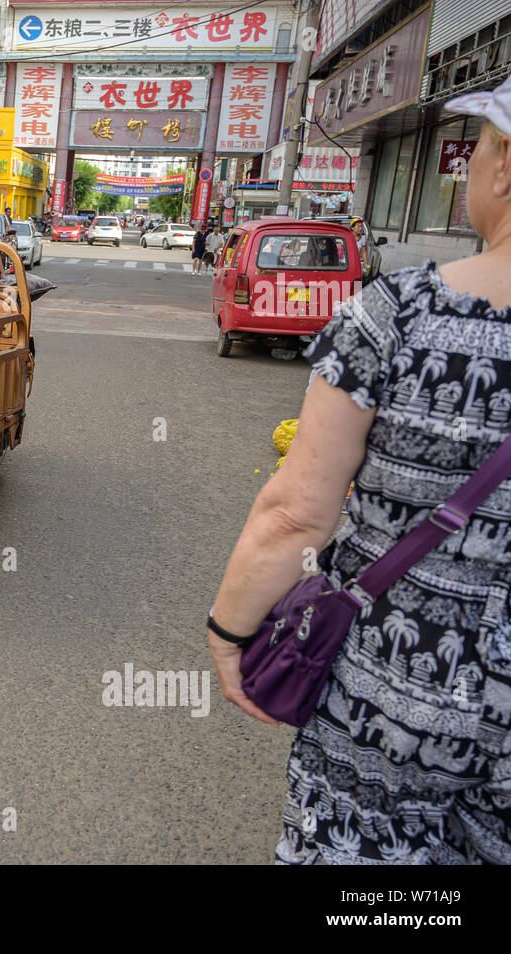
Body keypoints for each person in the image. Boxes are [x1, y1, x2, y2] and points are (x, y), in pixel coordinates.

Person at [208, 76, 511, 864]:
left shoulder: (396, 316)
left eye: (475, 150)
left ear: (505, 165)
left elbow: (296, 513)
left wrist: (229, 632)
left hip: (394, 681)